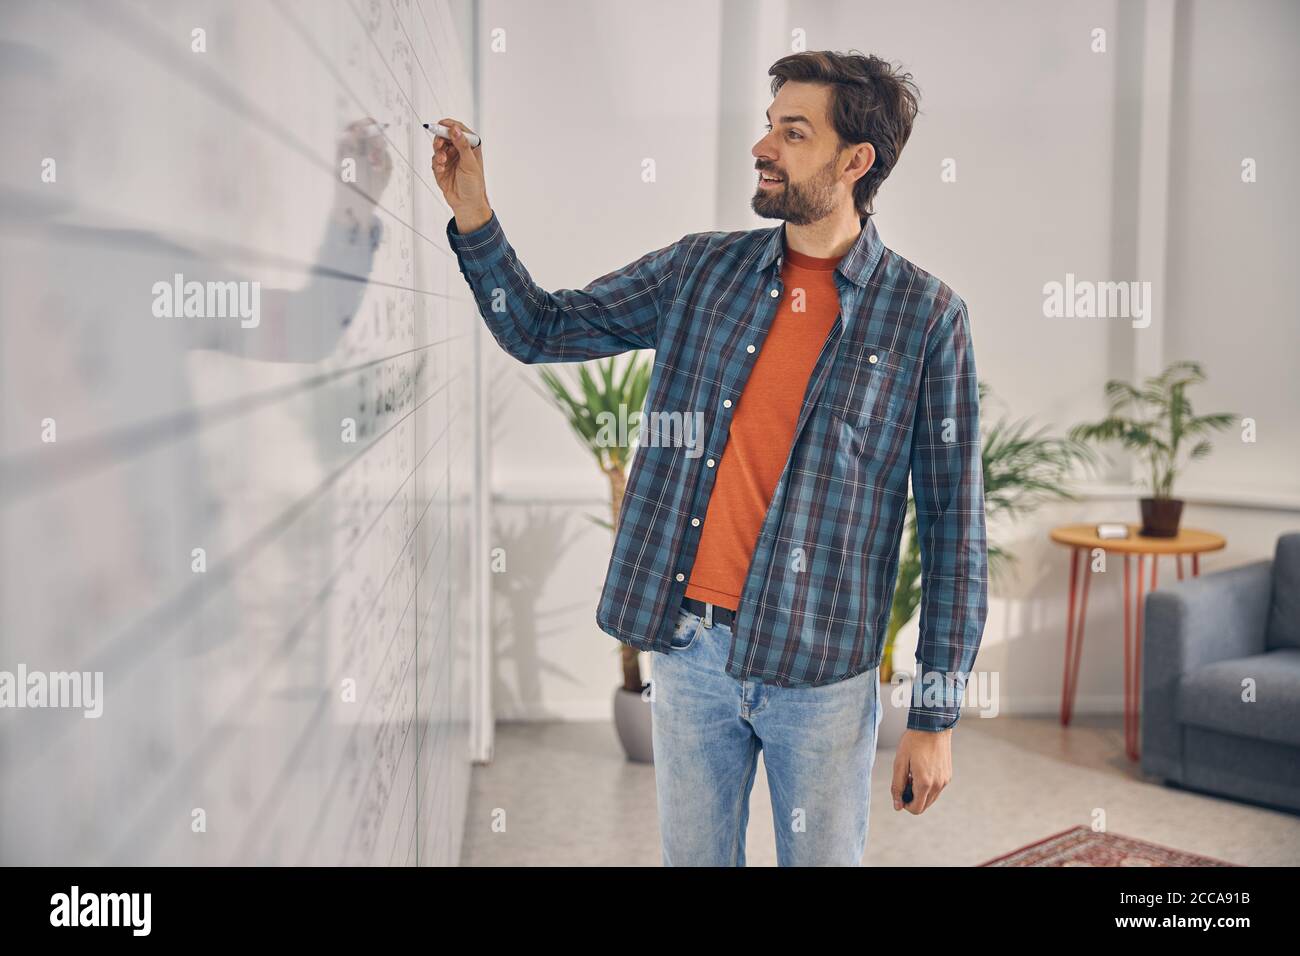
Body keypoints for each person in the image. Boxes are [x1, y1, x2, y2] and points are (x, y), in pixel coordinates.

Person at [434, 50, 988, 867]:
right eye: (769, 127)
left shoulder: (927, 317)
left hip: (822, 675)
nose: (763, 147)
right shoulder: (703, 271)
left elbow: (953, 529)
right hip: (690, 656)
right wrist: (476, 216)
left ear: (854, 161)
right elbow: (543, 328)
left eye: (792, 134)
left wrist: (934, 719)